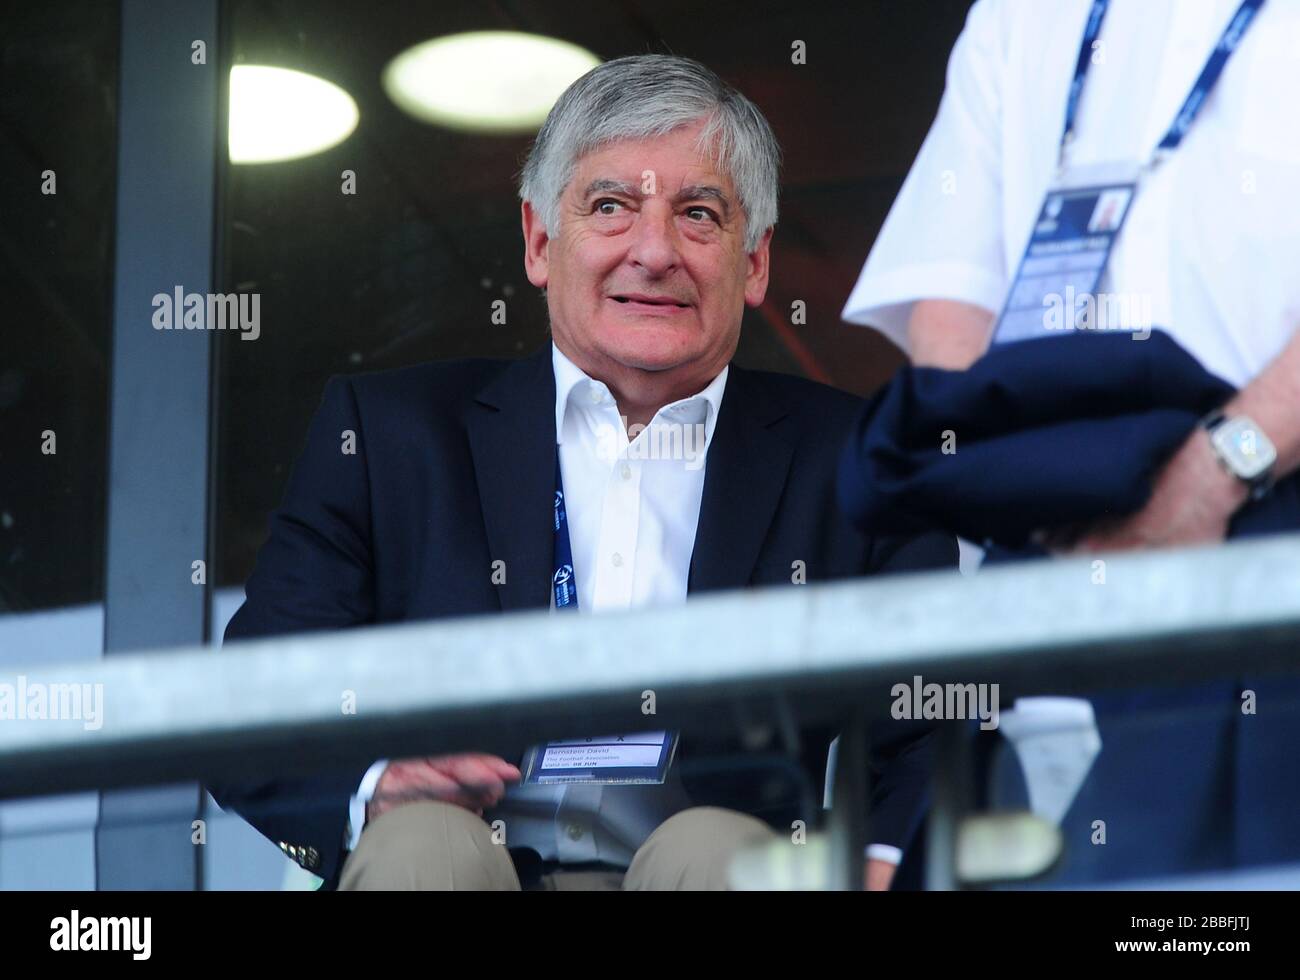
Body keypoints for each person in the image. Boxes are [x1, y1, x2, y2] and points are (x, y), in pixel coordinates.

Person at [208, 54, 955, 891]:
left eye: (699, 214)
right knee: (426, 849)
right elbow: (249, 695)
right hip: (461, 865)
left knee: (720, 851)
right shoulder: (387, 436)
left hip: (703, 871)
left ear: (754, 264)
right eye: (610, 207)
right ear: (538, 241)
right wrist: (373, 790)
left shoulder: (861, 461)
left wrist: (885, 863)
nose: (654, 251)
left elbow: (936, 718)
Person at [841, 0, 1300, 880]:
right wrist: (1030, 482)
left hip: (1273, 527)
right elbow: (949, 299)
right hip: (1060, 556)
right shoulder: (1018, 14)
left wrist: (1222, 465)